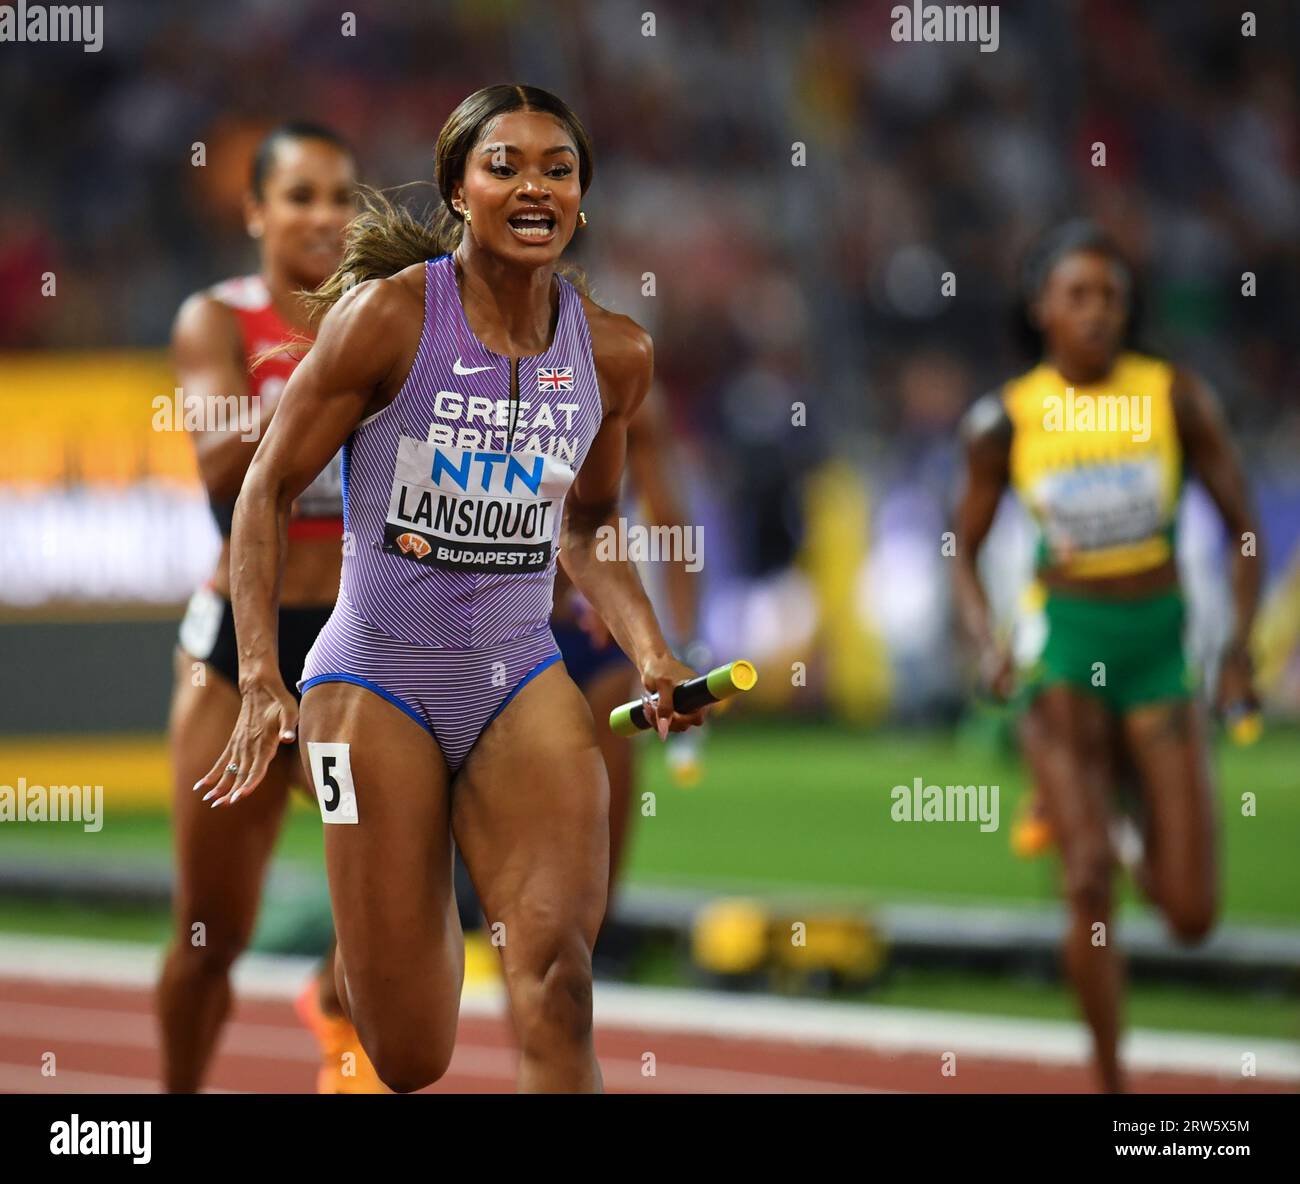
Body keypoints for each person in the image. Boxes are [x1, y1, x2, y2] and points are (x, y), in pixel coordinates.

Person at [194, 84, 708, 1094]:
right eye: (503, 165)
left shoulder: (614, 353)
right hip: (369, 681)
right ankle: (372, 950)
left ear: (582, 200)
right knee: (411, 1047)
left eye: (557, 169)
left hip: (521, 674)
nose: (533, 185)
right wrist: (262, 674)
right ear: (457, 191)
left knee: (558, 981)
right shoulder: (385, 318)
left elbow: (591, 523)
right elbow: (266, 488)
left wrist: (651, 652)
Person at [953, 221, 1261, 1092]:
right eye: (1077, 296)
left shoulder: (1174, 397)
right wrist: (987, 645)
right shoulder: (1004, 418)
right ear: (1041, 309)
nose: (1096, 313)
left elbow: (1244, 531)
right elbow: (962, 550)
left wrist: (1237, 647)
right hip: (1065, 653)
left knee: (1192, 914)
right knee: (1085, 882)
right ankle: (1111, 1081)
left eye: (1111, 297)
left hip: (1157, 649)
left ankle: (1122, 830)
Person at [157, 122, 383, 1093]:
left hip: (351, 652)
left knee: (401, 880)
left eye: (341, 195)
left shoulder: (390, 318)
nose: (324, 216)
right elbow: (215, 460)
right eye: (299, 196)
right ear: (255, 210)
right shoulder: (218, 318)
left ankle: (337, 1005)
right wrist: (323, 390)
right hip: (237, 651)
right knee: (212, 930)